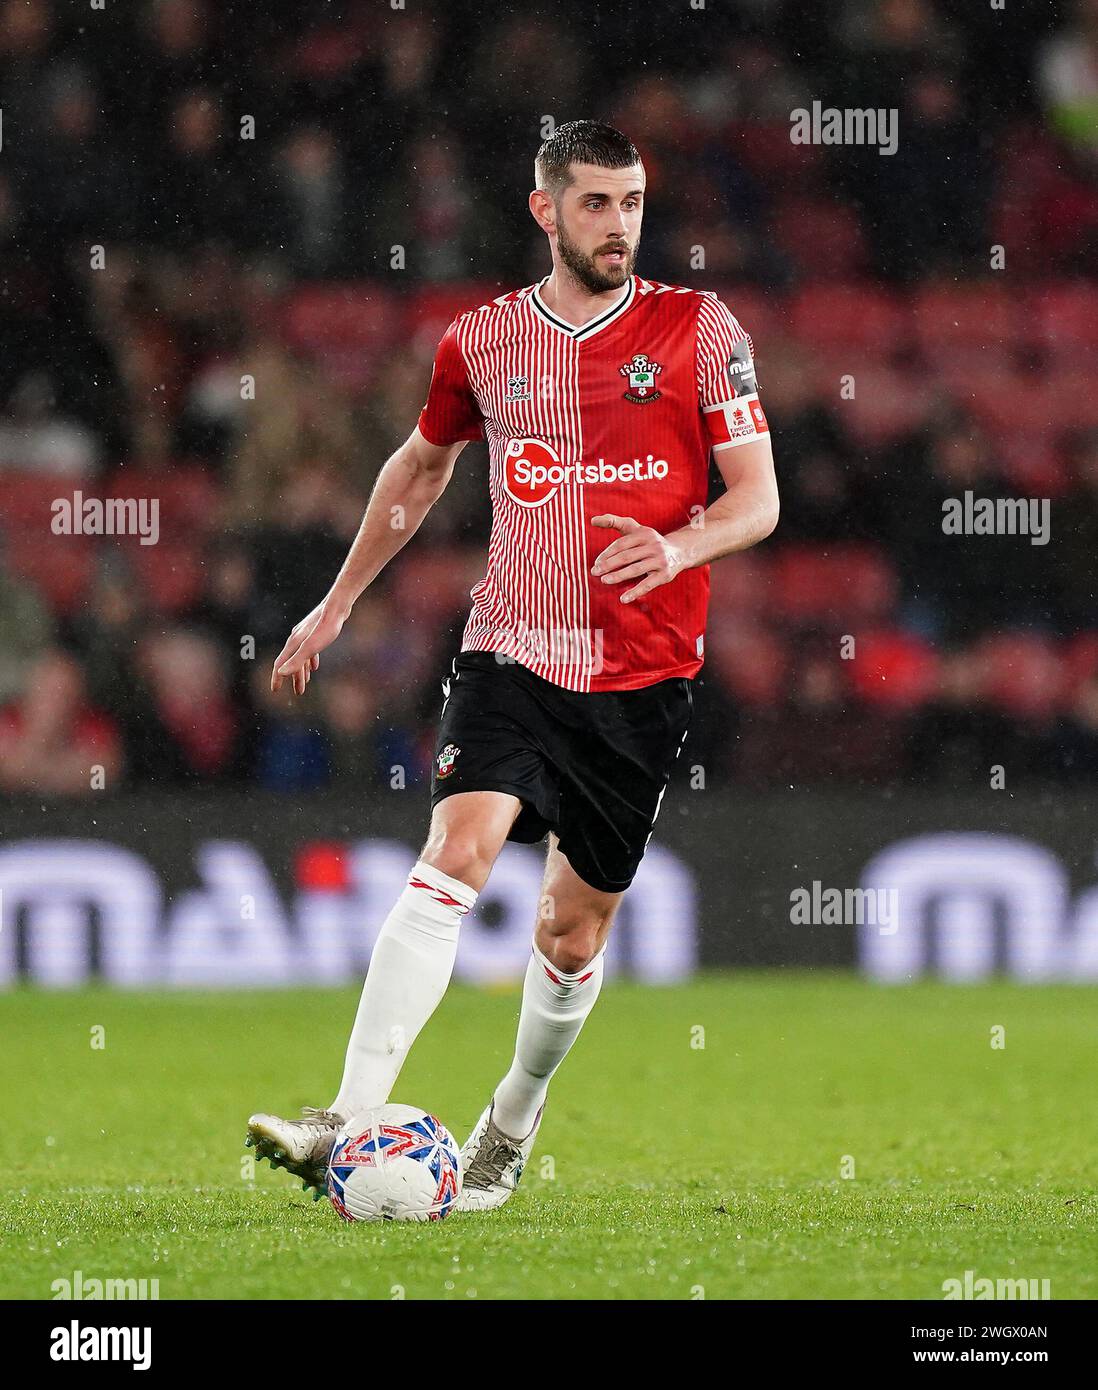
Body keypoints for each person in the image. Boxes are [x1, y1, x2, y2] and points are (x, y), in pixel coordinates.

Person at [246, 121, 779, 1211]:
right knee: (457, 846)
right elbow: (421, 468)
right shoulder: (481, 341)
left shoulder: (699, 327)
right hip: (511, 649)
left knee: (569, 931)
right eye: (595, 204)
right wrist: (336, 603)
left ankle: (512, 1123)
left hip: (642, 674)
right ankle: (343, 1114)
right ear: (546, 211)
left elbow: (758, 498)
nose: (620, 223)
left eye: (631, 202)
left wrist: (680, 545)